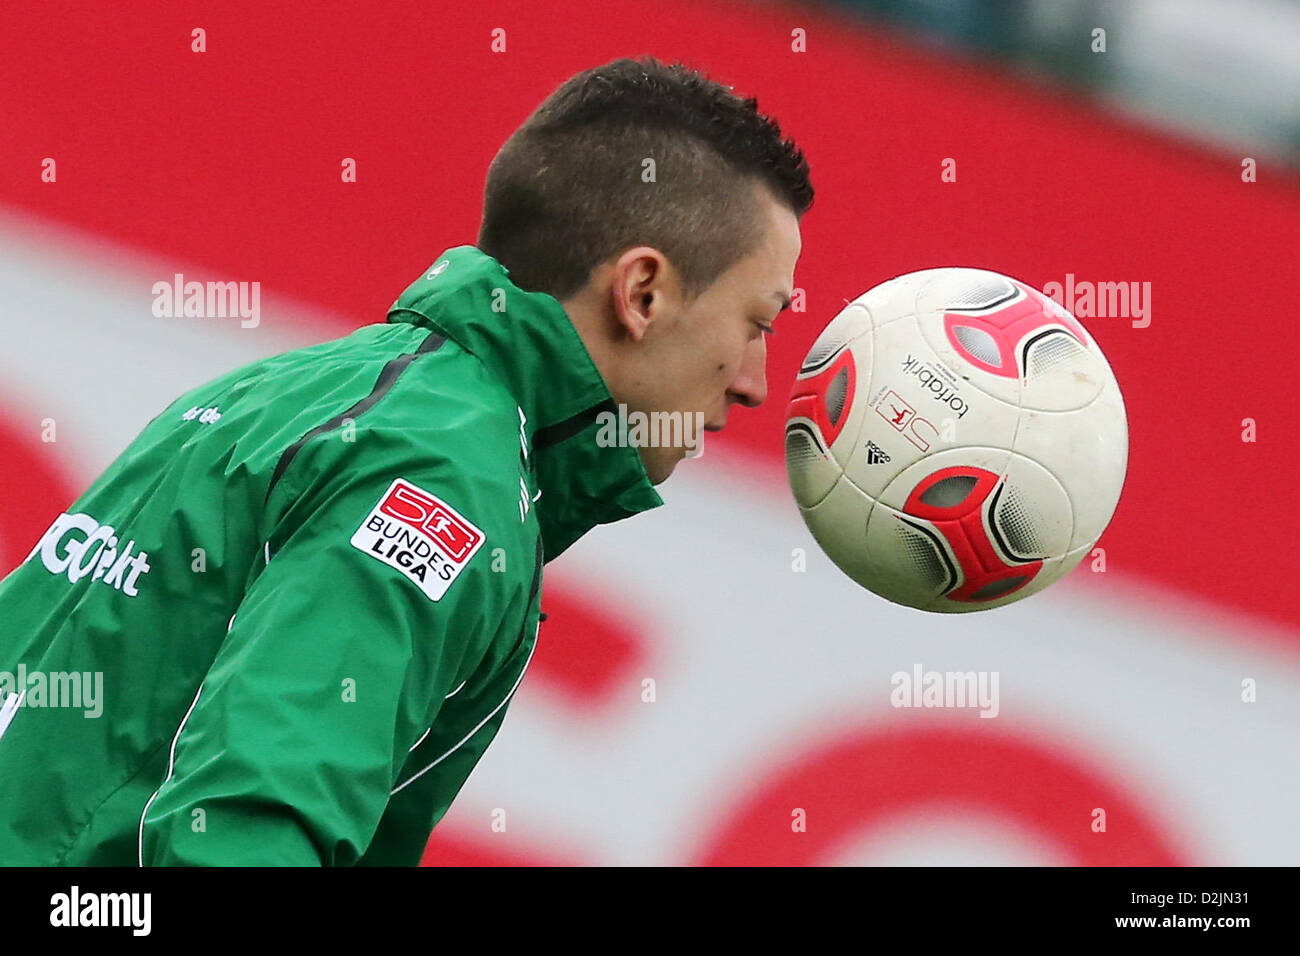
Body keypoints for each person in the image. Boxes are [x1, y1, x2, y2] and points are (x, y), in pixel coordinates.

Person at [0, 55, 812, 865]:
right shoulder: (442, 476)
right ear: (643, 293)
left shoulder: (297, 388)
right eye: (759, 324)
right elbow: (248, 831)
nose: (754, 385)